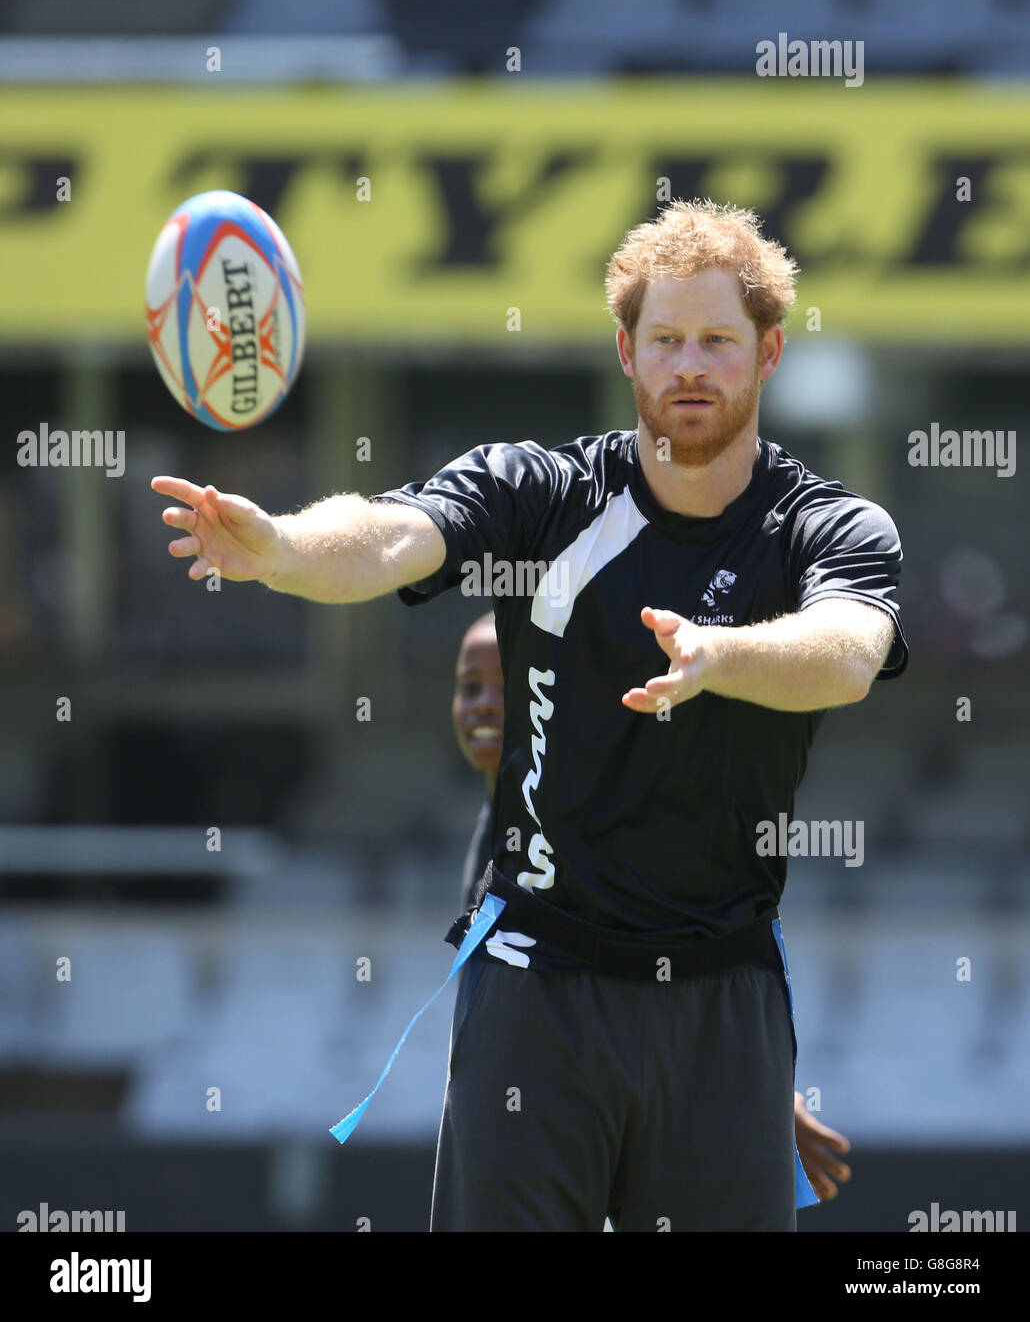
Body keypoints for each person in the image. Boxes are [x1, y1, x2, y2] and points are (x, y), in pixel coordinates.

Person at [152, 197, 907, 1231]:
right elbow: (386, 534)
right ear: (625, 350)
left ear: (768, 351)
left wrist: (718, 654)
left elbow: (849, 651)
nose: (691, 364)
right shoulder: (540, 493)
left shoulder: (827, 524)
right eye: (666, 339)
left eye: (718, 341)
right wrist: (281, 547)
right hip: (538, 989)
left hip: (724, 1006)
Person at [451, 609, 853, 1206]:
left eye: (510, 684)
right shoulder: (501, 830)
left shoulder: (589, 838)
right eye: (468, 686)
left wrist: (744, 1085)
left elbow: (660, 979)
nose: (484, 704)